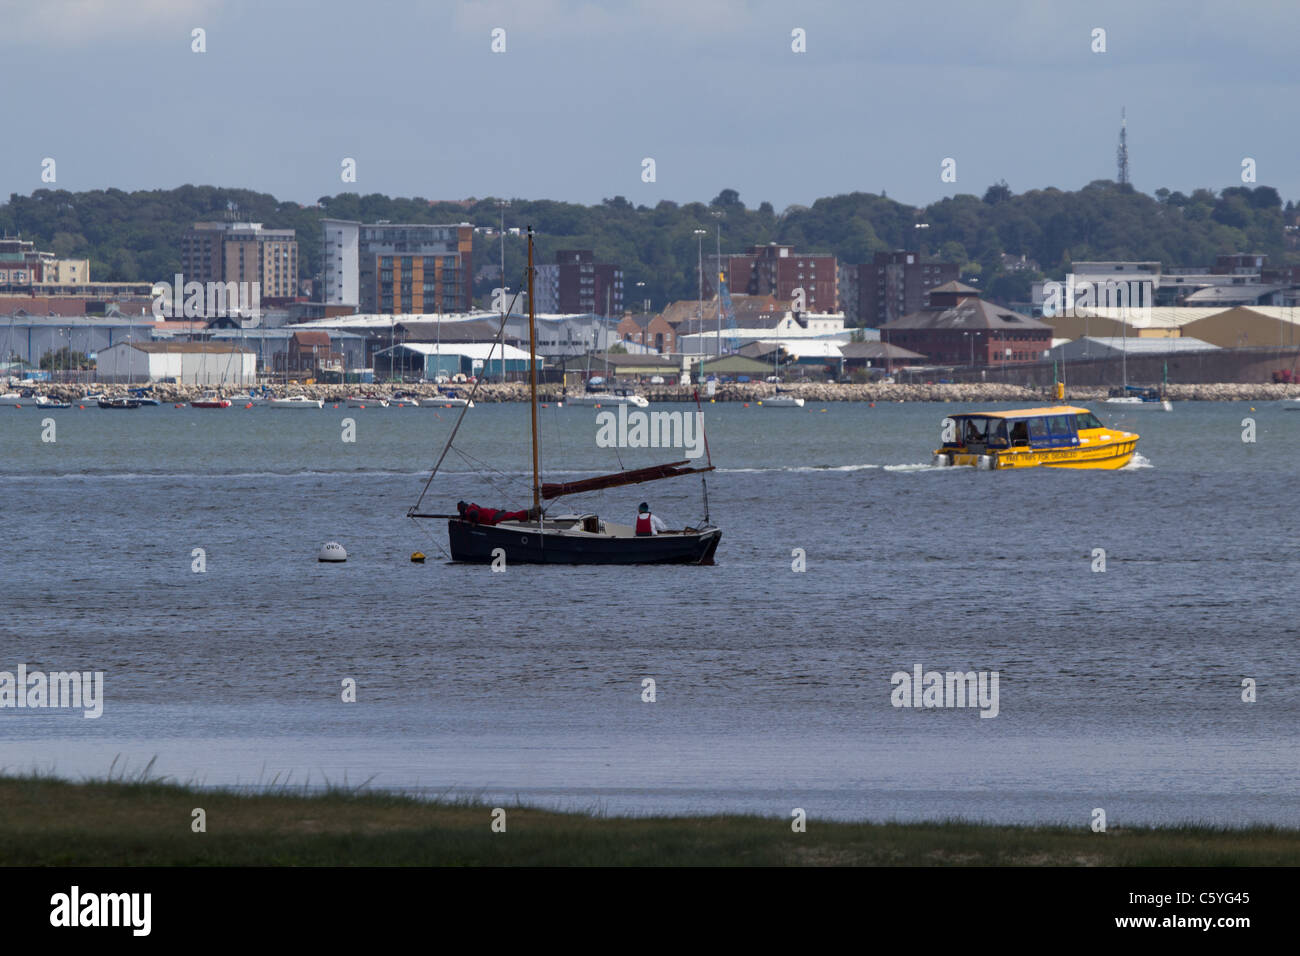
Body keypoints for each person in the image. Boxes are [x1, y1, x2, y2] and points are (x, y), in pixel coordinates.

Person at [457, 500, 536, 525]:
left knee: (514, 516)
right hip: (494, 513)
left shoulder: (470, 511)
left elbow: (474, 514)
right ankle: (531, 515)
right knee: (512, 515)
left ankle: (532, 513)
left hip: (494, 517)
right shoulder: (472, 506)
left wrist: (475, 522)